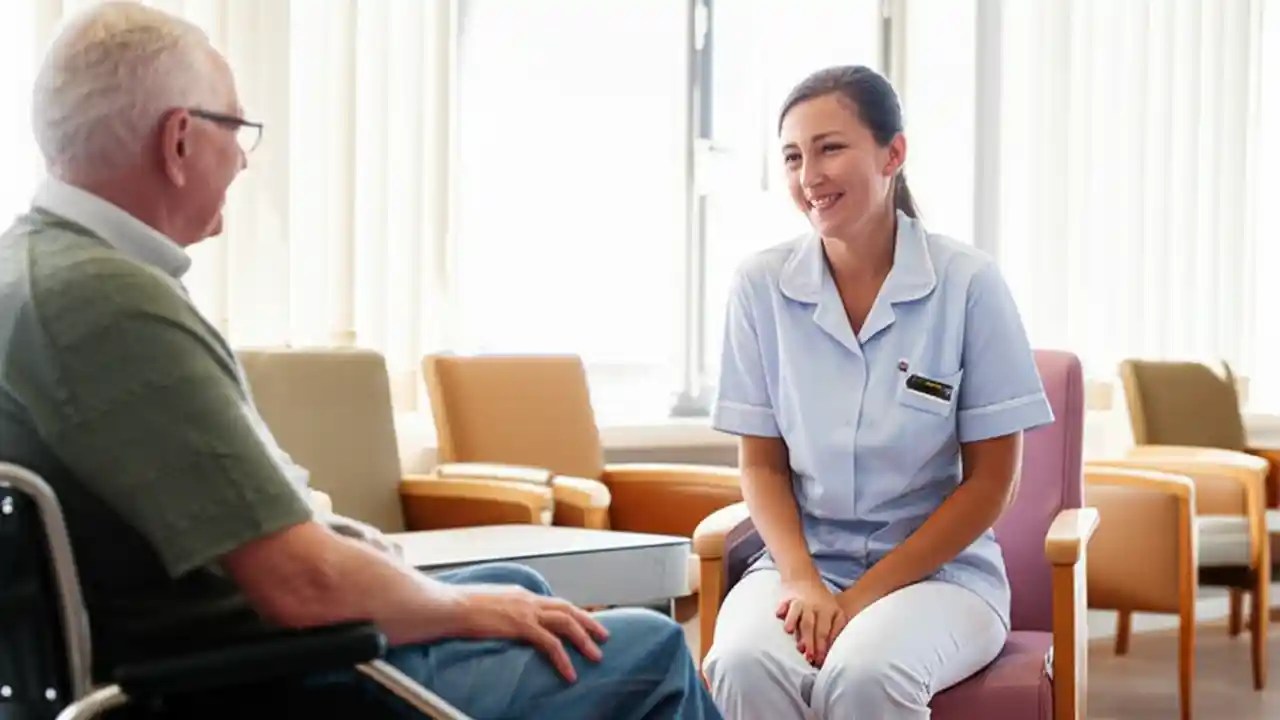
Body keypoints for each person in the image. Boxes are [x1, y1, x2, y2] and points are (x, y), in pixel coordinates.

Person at [0, 3, 719, 718]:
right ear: (179, 140)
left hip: (223, 652)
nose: (243, 158)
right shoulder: (109, 303)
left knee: (520, 586)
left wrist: (450, 595)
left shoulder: (34, 272)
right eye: (236, 129)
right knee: (651, 651)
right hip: (262, 680)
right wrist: (458, 609)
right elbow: (302, 583)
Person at [701, 65, 1054, 719]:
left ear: (893, 154)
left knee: (866, 674)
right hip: (802, 566)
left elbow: (991, 484)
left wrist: (858, 601)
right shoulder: (760, 287)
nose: (809, 176)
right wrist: (802, 580)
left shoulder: (969, 284)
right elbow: (762, 465)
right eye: (793, 157)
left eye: (830, 148)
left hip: (942, 577)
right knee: (742, 663)